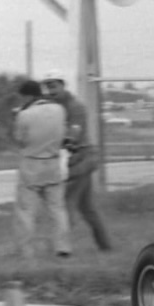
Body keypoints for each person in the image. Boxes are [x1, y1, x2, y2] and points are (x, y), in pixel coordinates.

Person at [40, 70, 112, 252]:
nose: (51, 90)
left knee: (66, 205)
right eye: (47, 86)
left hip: (81, 159)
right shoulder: (55, 106)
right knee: (87, 209)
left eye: (54, 85)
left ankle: (61, 249)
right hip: (75, 159)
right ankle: (105, 246)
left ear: (63, 85)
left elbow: (73, 135)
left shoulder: (75, 106)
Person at [12, 79, 70, 260]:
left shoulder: (25, 115)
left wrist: (19, 116)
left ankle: (26, 251)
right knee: (57, 209)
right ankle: (63, 247)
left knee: (26, 210)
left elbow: (20, 140)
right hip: (53, 162)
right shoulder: (59, 110)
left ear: (28, 96)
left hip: (31, 163)